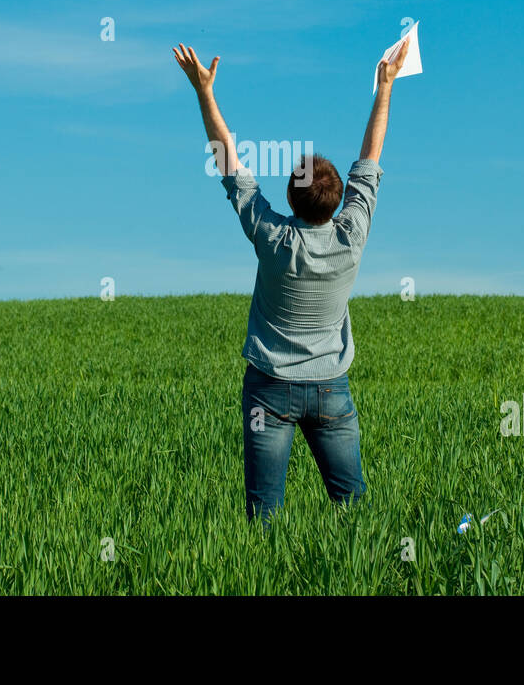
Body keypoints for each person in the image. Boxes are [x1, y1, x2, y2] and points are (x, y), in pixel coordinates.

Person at [172, 38, 409, 521]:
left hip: (269, 387)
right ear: (337, 200)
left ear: (290, 196)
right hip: (331, 389)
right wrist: (385, 87)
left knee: (264, 518)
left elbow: (228, 162)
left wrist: (204, 92)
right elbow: (371, 159)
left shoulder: (271, 236)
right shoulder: (352, 235)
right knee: (354, 511)